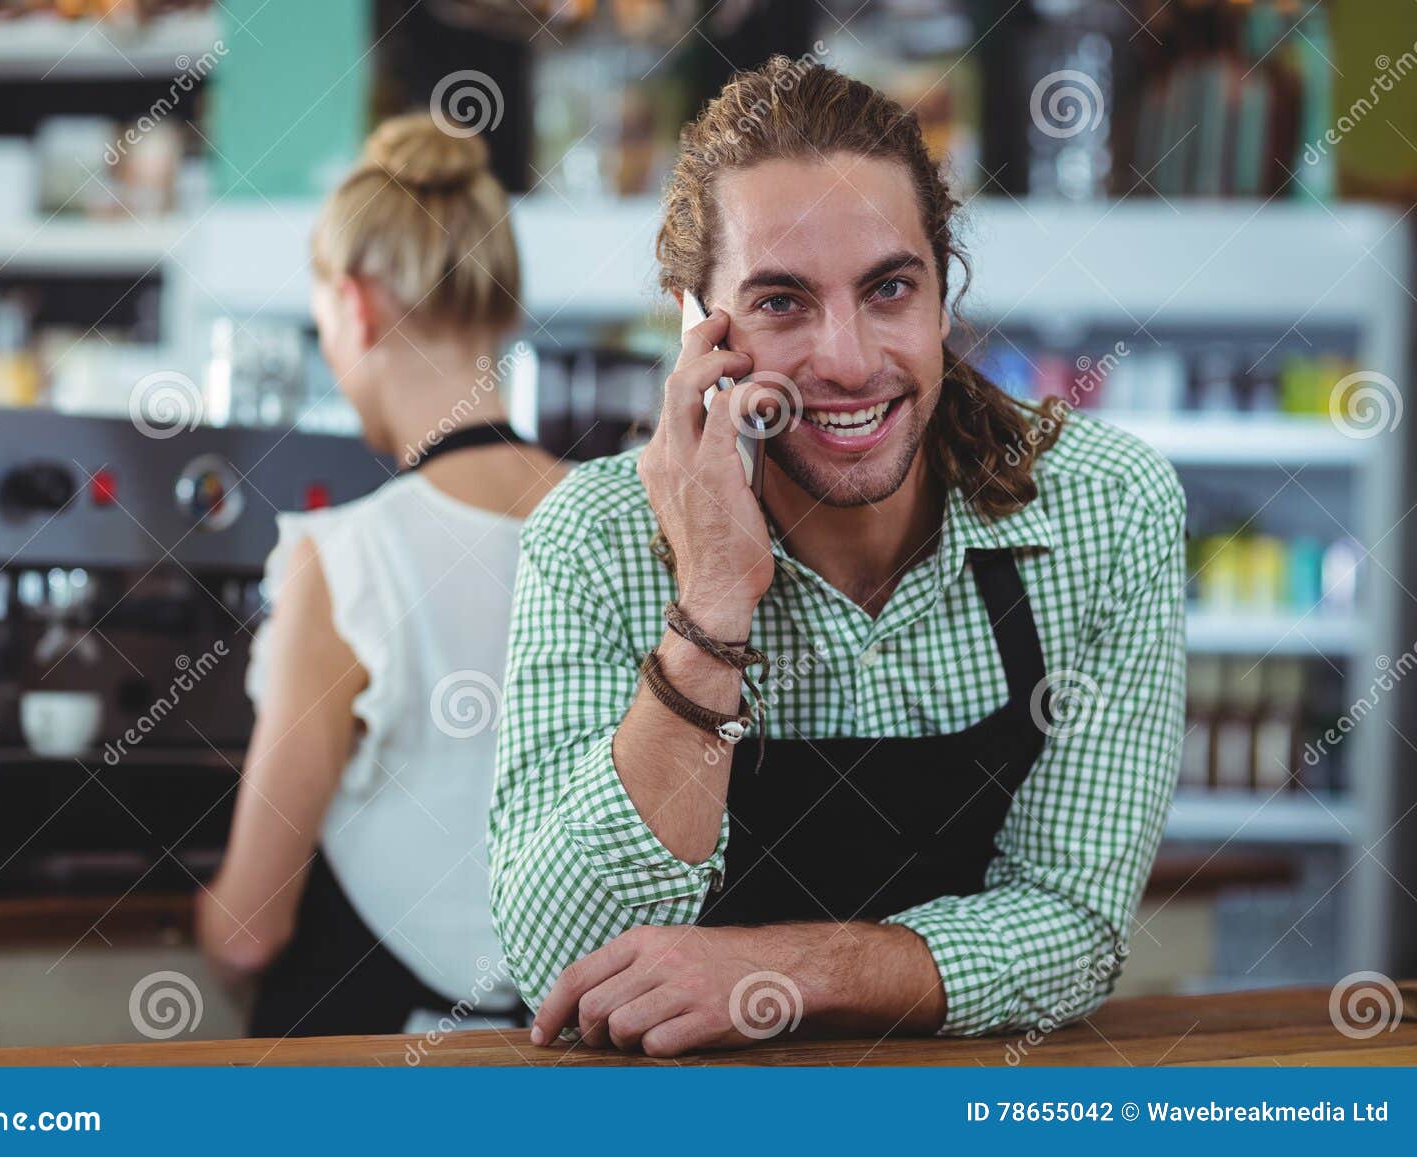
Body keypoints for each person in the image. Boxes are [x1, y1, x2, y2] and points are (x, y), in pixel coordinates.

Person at [489, 58, 1186, 1057]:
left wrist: (783, 971)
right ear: (699, 326)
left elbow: (1072, 922)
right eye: (781, 302)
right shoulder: (592, 537)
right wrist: (712, 606)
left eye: (889, 288)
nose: (850, 359)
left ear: (943, 296)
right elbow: (567, 962)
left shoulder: (1108, 512)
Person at [196, 112, 567, 1036]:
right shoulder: (628, 517)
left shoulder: (349, 556)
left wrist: (189, 923)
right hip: (598, 1060)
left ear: (353, 305)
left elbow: (249, 929)